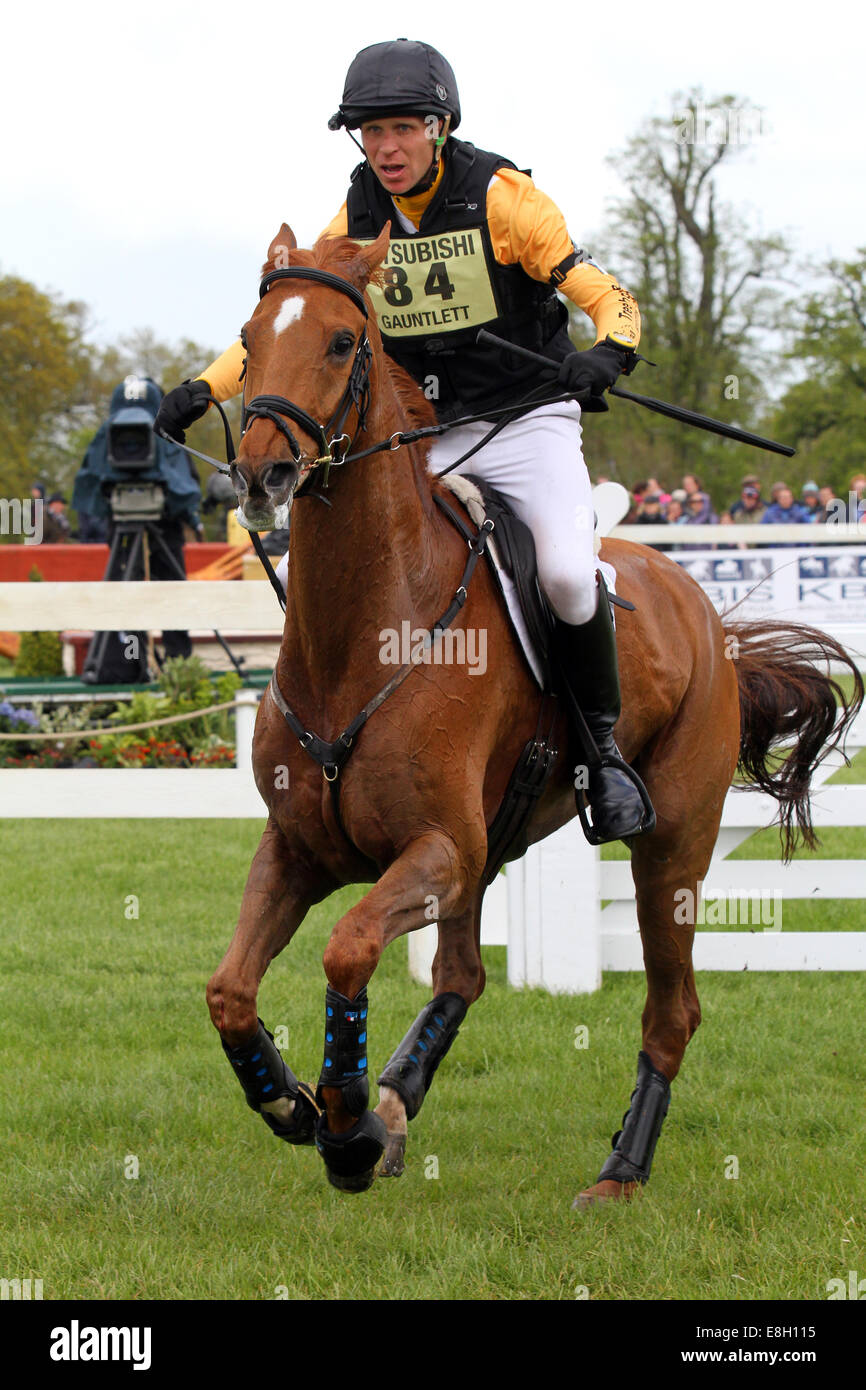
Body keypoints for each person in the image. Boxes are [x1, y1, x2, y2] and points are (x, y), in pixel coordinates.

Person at [155, 38, 650, 842]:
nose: (384, 148)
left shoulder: (505, 198)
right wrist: (204, 388)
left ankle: (603, 755)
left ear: (441, 126)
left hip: (526, 420)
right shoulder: (354, 218)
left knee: (563, 574)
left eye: (401, 130)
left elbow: (607, 295)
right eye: (368, 132)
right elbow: (301, 323)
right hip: (430, 434)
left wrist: (609, 351)